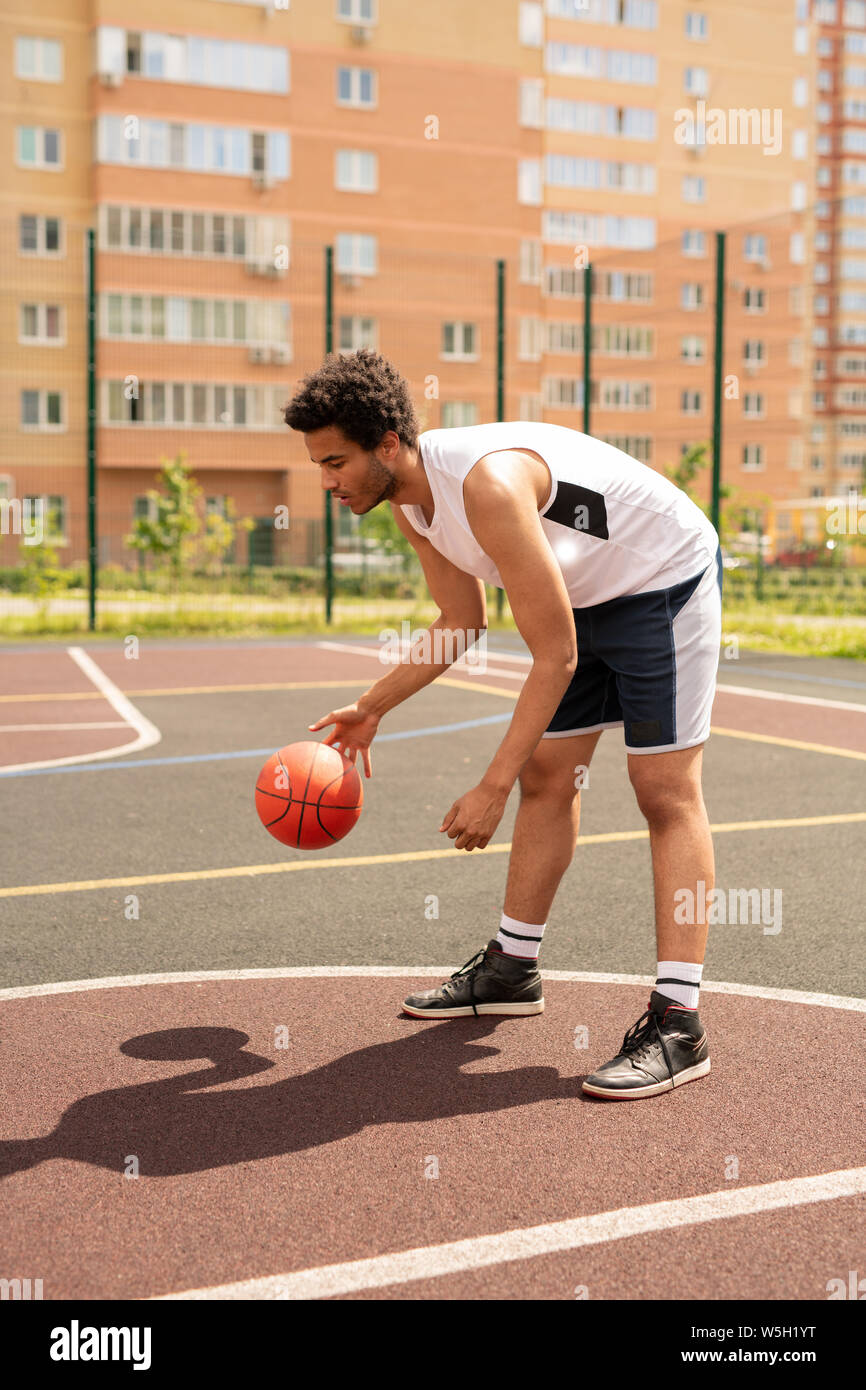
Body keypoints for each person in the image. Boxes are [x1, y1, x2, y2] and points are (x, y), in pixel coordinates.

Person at [285, 350, 722, 1101]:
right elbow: (461, 620)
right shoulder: (410, 503)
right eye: (320, 465)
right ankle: (512, 968)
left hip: (662, 579)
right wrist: (373, 705)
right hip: (583, 592)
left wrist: (490, 786)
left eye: (335, 462)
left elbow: (553, 657)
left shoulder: (484, 484)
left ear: (388, 443)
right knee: (550, 773)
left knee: (662, 789)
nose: (326, 482)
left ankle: (679, 1023)